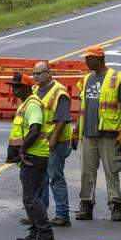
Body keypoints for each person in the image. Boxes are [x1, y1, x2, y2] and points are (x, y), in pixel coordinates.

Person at [73, 45, 121, 222]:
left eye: (89, 58)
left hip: (108, 134)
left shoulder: (117, 77)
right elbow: (82, 107)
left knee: (111, 171)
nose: (86, 62)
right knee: (86, 172)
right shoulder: (86, 79)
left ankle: (115, 206)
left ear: (100, 58)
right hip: (89, 134)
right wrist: (75, 130)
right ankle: (86, 204)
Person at [7, 73, 54, 240]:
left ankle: (45, 233)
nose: (13, 89)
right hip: (31, 155)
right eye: (12, 85)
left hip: (34, 156)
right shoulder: (26, 103)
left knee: (32, 198)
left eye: (16, 86)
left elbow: (35, 129)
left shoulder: (32, 104)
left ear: (26, 88)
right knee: (32, 197)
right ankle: (36, 232)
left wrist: (22, 149)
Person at [31, 61, 73, 227]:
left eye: (38, 73)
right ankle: (40, 213)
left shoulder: (59, 92)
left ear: (48, 73)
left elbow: (62, 119)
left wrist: (54, 139)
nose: (35, 76)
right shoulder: (35, 90)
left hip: (56, 143)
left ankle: (62, 214)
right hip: (40, 143)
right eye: (33, 73)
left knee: (55, 177)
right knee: (41, 178)